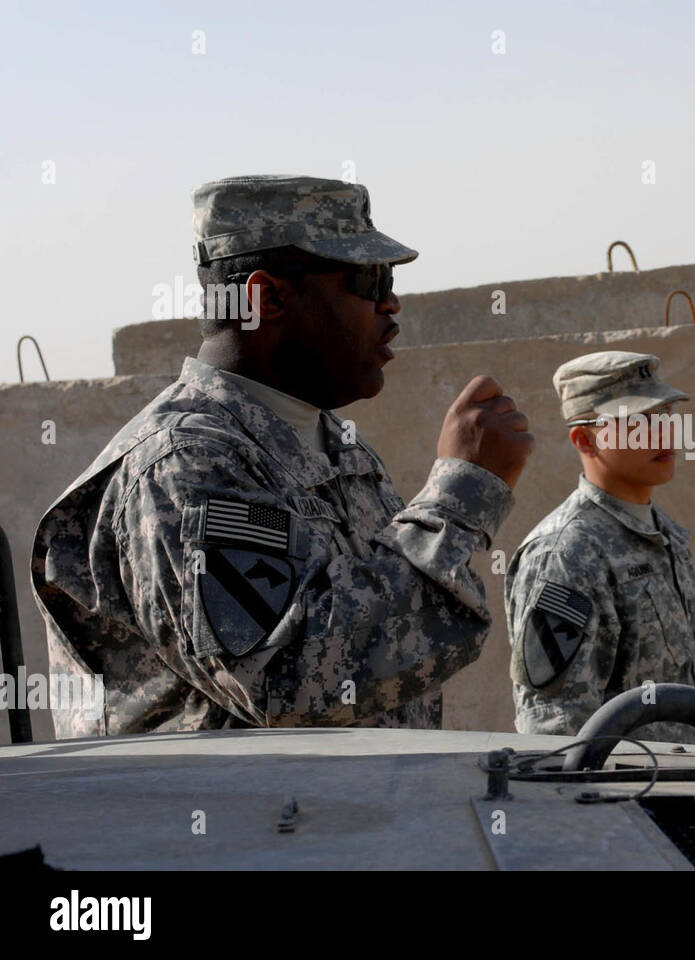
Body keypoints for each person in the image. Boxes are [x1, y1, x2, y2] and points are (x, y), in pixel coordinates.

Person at [32, 174, 534, 737]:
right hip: (227, 799)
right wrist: (459, 498)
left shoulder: (337, 445)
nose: (391, 303)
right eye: (368, 280)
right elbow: (287, 681)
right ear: (265, 297)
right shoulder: (184, 464)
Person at [505, 351, 695, 741]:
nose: (664, 433)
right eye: (638, 422)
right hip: (632, 779)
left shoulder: (664, 535)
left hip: (693, 774)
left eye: (666, 416)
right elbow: (555, 728)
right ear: (585, 439)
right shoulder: (566, 554)